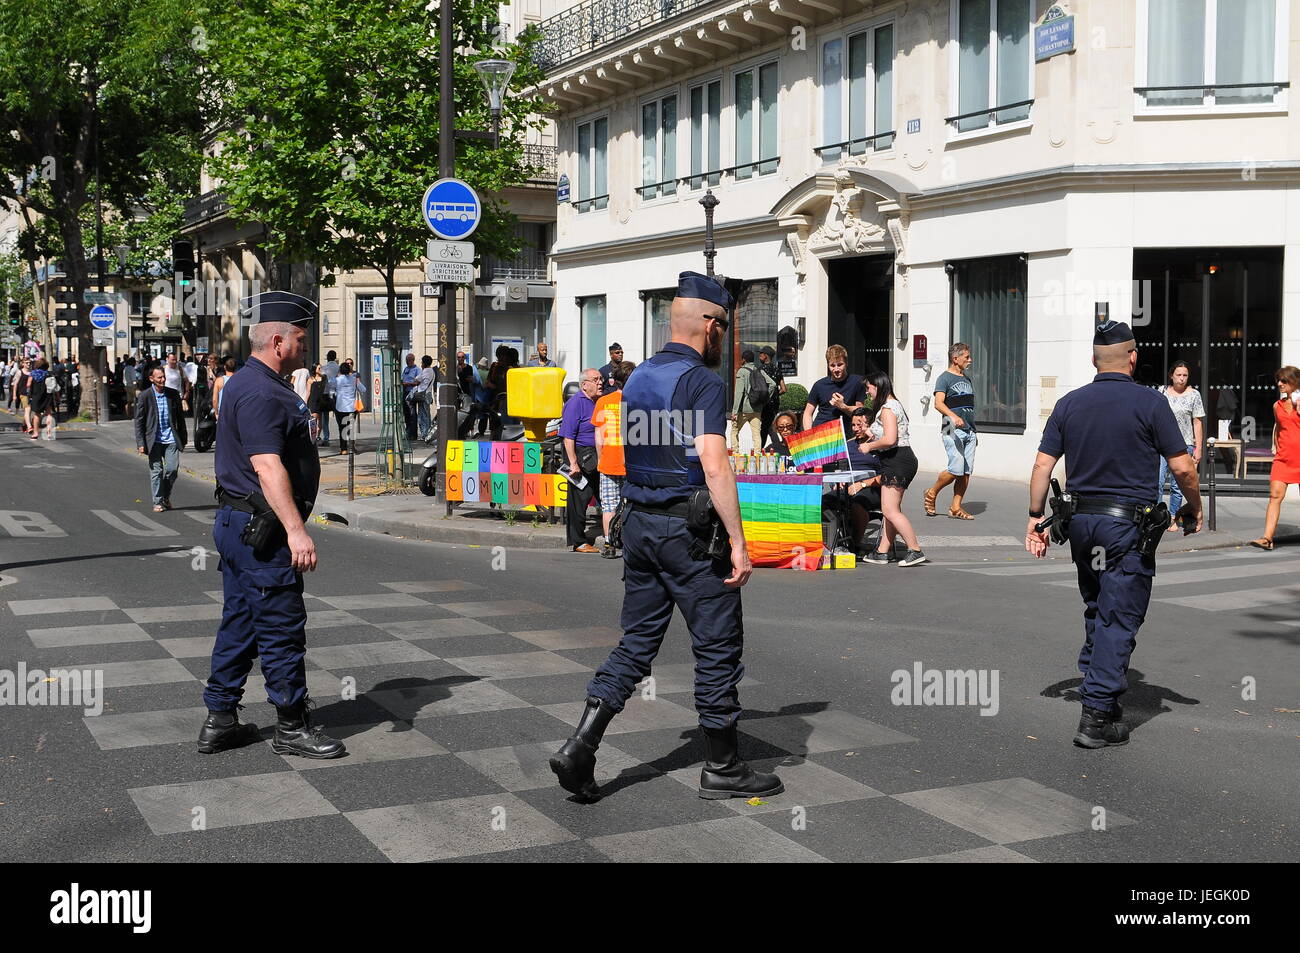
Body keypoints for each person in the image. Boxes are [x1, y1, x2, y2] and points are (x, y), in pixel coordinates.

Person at [550, 271, 782, 803]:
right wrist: (740, 544)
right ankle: (722, 766)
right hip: (691, 534)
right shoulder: (703, 381)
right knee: (718, 647)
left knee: (635, 645)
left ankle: (582, 743)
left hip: (640, 525)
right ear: (709, 324)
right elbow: (715, 465)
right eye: (723, 325)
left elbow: (634, 450)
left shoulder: (637, 378)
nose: (723, 336)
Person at [1026, 320, 1202, 748]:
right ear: (1134, 357)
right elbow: (1182, 467)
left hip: (1084, 526)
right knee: (1119, 616)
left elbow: (1042, 467)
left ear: (1093, 359)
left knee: (1098, 605)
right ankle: (1096, 716)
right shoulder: (1151, 403)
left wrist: (1034, 519)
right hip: (1127, 528)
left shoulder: (1069, 404)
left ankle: (1100, 684)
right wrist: (1194, 509)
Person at [200, 291, 343, 759]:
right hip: (262, 531)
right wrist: (296, 530)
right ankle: (290, 725)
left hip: (239, 523)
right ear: (278, 340)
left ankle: (220, 719)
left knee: (240, 621)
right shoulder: (261, 390)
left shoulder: (250, 382)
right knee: (281, 627)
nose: (306, 346)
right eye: (301, 338)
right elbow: (266, 465)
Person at [857, 371, 926, 567]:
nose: (868, 393)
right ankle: (882, 552)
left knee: (889, 509)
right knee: (891, 509)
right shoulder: (893, 406)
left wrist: (868, 446)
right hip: (897, 460)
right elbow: (888, 433)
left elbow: (890, 439)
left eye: (869, 388)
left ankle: (914, 549)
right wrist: (870, 431)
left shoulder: (887, 408)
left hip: (897, 460)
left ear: (877, 386)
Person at [923, 343, 978, 520]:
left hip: (969, 430)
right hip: (950, 427)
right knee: (956, 468)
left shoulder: (967, 379)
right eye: (966, 357)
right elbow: (938, 403)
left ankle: (955, 507)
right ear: (956, 358)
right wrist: (953, 416)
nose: (970, 360)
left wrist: (974, 432)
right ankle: (932, 492)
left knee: (966, 471)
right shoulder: (943, 378)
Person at [1250, 365, 1300, 551]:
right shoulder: (1276, 406)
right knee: (1274, 495)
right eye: (1278, 380)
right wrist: (1276, 447)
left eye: (1284, 381)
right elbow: (1278, 428)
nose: (1280, 383)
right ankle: (1267, 538)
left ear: (1295, 382)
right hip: (1284, 458)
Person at [593, 360, 635, 558]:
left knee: (609, 505)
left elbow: (599, 436)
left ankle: (609, 544)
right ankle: (629, 544)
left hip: (608, 461)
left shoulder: (603, 402)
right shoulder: (638, 402)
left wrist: (601, 459)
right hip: (632, 464)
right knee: (631, 505)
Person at [1157, 361, 1204, 532]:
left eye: (1185, 375)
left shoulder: (1194, 395)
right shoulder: (1161, 393)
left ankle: (1173, 518)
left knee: (1178, 486)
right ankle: (1157, 517)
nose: (1182, 378)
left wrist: (1198, 448)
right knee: (1158, 481)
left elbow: (1197, 422)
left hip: (1184, 444)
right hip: (1161, 444)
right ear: (1171, 375)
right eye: (1178, 375)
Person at [560, 367, 602, 553]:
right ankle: (578, 541)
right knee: (580, 499)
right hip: (581, 456)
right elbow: (568, 436)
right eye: (596, 379)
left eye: (600, 379)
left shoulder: (598, 401)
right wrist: (573, 463)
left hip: (596, 456)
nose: (600, 382)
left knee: (605, 496)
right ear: (584, 385)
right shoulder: (575, 403)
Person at [134, 364, 187, 510]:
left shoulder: (173, 394)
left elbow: (180, 418)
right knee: (156, 471)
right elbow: (139, 421)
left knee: (172, 469)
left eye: (164, 377)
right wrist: (140, 442)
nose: (163, 380)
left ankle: (165, 495)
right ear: (151, 379)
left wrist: (183, 437)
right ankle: (158, 502)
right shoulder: (145, 396)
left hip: (171, 439)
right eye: (159, 377)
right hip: (153, 440)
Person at [803, 344, 865, 436]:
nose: (836, 369)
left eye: (840, 365)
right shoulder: (819, 385)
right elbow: (808, 413)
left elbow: (860, 411)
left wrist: (843, 406)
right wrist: (809, 434)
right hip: (821, 433)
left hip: (845, 434)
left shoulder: (857, 382)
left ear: (846, 363)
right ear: (828, 365)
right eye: (832, 365)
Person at [729, 349, 769, 452]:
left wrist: (734, 412)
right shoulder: (759, 370)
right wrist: (763, 399)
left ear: (744, 360)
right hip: (757, 409)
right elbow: (772, 384)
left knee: (734, 431)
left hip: (744, 409)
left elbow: (739, 393)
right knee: (756, 435)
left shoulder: (742, 372)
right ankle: (757, 458)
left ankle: (735, 454)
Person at [757, 345, 787, 446]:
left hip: (764, 405)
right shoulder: (777, 369)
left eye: (761, 354)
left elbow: (758, 389)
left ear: (766, 356)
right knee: (769, 426)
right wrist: (775, 395)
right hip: (775, 405)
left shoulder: (760, 370)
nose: (759, 356)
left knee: (766, 428)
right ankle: (774, 447)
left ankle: (761, 450)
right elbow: (784, 389)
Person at [332, 360, 362, 454]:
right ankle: (352, 447)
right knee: (351, 428)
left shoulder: (336, 380)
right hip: (351, 408)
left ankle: (343, 449)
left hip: (340, 406)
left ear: (340, 370)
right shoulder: (354, 379)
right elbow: (363, 389)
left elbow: (331, 392)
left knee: (341, 427)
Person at [414, 354, 438, 442]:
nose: (421, 364)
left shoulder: (426, 371)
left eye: (422, 362)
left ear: (424, 363)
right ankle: (426, 433)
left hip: (423, 394)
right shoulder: (431, 371)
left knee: (423, 415)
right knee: (426, 414)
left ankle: (425, 434)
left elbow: (416, 380)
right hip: (427, 394)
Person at [318, 350, 340, 447]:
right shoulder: (338, 367)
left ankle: (326, 438)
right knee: (339, 417)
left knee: (325, 418)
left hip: (326, 394)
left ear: (328, 357)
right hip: (337, 394)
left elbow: (321, 378)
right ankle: (342, 437)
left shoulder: (324, 368)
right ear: (335, 357)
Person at [306, 363, 328, 444]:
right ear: (315, 369)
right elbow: (308, 392)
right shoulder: (310, 379)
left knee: (320, 422)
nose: (320, 369)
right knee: (314, 421)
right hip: (313, 401)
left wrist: (321, 372)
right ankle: (312, 438)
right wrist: (305, 402)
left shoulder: (324, 378)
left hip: (321, 402)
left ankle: (317, 437)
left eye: (321, 368)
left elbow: (325, 378)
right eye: (319, 368)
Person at [401, 351, 420, 442]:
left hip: (411, 393)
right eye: (406, 360)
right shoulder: (405, 369)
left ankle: (413, 434)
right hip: (405, 392)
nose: (407, 362)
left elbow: (418, 382)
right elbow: (402, 378)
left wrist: (408, 383)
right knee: (406, 414)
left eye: (409, 360)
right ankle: (408, 432)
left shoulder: (417, 370)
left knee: (412, 414)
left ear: (413, 360)